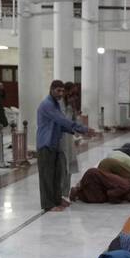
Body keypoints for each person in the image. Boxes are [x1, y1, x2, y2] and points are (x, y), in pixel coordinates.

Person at [37, 80, 89, 211]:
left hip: (54, 143)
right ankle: (48, 205)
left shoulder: (56, 105)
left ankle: (56, 200)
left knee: (56, 175)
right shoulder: (47, 105)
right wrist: (83, 129)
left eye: (62, 91)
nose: (60, 93)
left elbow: (62, 125)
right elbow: (62, 120)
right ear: (51, 89)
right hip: (46, 143)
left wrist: (76, 130)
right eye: (58, 90)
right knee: (47, 176)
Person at [60, 81, 81, 201]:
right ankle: (60, 195)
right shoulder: (59, 105)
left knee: (69, 168)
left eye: (75, 95)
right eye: (72, 94)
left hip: (69, 141)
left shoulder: (70, 106)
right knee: (62, 167)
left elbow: (74, 123)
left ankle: (65, 194)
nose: (74, 97)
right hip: (61, 140)